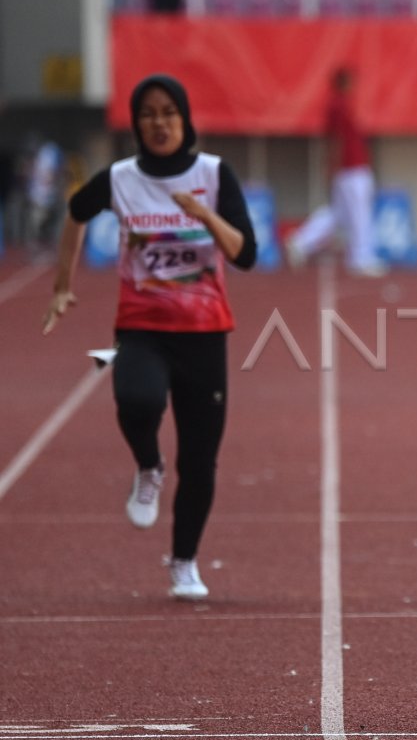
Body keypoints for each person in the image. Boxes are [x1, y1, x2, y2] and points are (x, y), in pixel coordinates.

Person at [42, 73, 257, 600]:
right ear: (136, 124)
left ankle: (184, 562)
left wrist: (204, 213)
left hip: (205, 334)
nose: (159, 122)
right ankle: (147, 464)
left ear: (184, 120)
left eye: (168, 112)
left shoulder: (213, 173)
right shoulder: (120, 178)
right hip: (141, 325)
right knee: (135, 399)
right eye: (148, 114)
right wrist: (62, 285)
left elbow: (245, 253)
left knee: (200, 461)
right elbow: (75, 212)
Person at [286, 66, 384, 277]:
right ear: (344, 82)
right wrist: (333, 166)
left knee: (338, 213)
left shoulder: (342, 105)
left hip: (350, 167)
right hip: (350, 168)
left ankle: (301, 241)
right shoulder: (339, 106)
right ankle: (360, 257)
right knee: (359, 213)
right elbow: (335, 139)